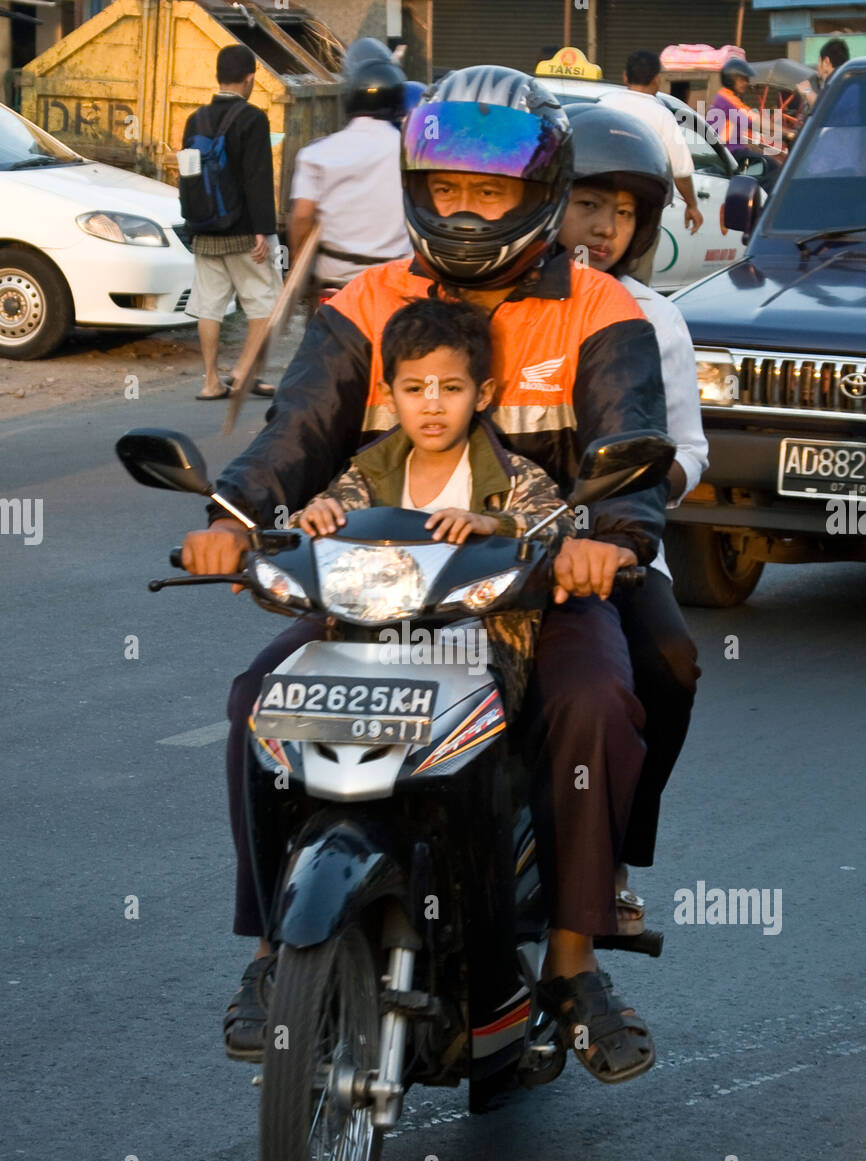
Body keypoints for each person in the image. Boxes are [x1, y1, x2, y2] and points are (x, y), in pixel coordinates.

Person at [183, 65, 672, 1086]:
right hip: (377, 587)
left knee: (591, 702)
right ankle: (271, 953)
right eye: (443, 188)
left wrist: (607, 537)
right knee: (251, 706)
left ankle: (576, 963)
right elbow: (298, 431)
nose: (460, 210)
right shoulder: (366, 297)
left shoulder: (597, 305)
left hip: (535, 591)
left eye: (485, 192)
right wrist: (234, 518)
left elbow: (630, 445)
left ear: (537, 192)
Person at [557, 102, 704, 928]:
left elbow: (689, 449)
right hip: (492, 546)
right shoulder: (504, 304)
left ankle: (612, 854)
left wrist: (647, 488)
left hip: (614, 551)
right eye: (589, 204)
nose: (605, 226)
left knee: (673, 663)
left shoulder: (658, 319)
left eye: (623, 213)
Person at [287, 297, 573, 720]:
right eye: (415, 389)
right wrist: (309, 523)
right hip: (363, 658)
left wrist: (491, 523)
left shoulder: (515, 478)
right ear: (388, 395)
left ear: (483, 394)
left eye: (452, 388)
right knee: (259, 698)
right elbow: (309, 528)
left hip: (479, 661)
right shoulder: (363, 476)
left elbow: (558, 526)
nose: (433, 405)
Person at [182, 44, 281, 401]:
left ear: (218, 77)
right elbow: (257, 177)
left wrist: (192, 224)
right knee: (266, 303)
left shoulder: (195, 120)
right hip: (242, 233)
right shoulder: (253, 119)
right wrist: (263, 230)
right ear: (250, 78)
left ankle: (210, 381)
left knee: (209, 306)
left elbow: (188, 176)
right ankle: (242, 370)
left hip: (205, 229)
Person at [288, 38, 412, 293]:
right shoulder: (411, 153)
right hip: (394, 283)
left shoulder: (316, 154)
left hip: (335, 283)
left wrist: (297, 269)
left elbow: (302, 216)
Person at [597, 48, 703, 282]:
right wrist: (692, 205)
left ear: (625, 77)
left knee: (598, 272)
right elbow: (681, 170)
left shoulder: (603, 104)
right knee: (636, 279)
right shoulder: (662, 115)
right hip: (643, 211)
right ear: (657, 78)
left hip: (600, 202)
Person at [708, 56, 765, 161]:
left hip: (732, 151)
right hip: (729, 153)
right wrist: (787, 133)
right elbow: (755, 122)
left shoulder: (730, 97)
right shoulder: (726, 99)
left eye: (746, 80)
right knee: (773, 167)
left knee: (765, 159)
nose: (746, 83)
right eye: (741, 80)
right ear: (730, 80)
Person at [797, 38, 851, 112]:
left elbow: (827, 111)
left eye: (819, 61)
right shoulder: (852, 82)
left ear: (826, 62)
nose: (817, 67)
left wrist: (808, 91)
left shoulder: (837, 84)